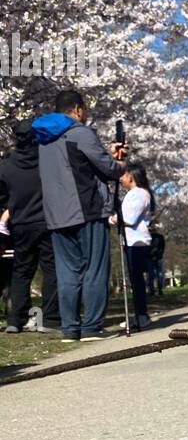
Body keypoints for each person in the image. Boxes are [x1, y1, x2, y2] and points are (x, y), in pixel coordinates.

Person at [33, 88, 126, 341]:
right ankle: (92, 326)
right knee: (95, 268)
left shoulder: (43, 140)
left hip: (56, 214)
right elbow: (107, 168)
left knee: (67, 272)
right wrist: (121, 162)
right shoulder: (80, 133)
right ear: (77, 109)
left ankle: (70, 327)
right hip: (86, 210)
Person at [0, 119, 60, 334]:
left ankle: (16, 319)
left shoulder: (6, 166)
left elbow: (2, 195)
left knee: (21, 272)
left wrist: (11, 207)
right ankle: (51, 318)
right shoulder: (47, 160)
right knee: (51, 270)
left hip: (21, 223)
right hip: (46, 220)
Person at [111, 162, 154, 330]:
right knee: (134, 279)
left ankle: (142, 315)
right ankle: (140, 314)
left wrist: (112, 219)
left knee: (137, 280)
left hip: (138, 242)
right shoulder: (131, 194)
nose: (121, 178)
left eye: (124, 174)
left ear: (131, 176)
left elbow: (129, 219)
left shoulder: (141, 194)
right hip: (129, 241)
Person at [147, 223, 166, 295]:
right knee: (156, 274)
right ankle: (157, 290)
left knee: (154, 275)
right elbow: (162, 247)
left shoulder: (156, 237)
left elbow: (161, 247)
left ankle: (155, 290)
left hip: (154, 257)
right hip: (154, 257)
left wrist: (154, 255)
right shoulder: (159, 237)